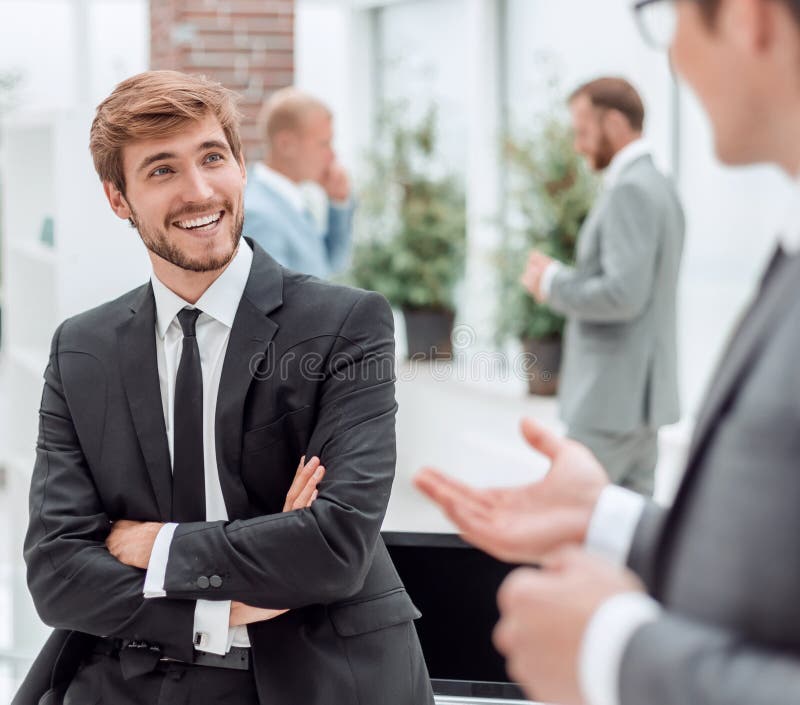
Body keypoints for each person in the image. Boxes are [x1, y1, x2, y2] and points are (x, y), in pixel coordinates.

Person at [416, 0, 800, 702]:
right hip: (638, 395)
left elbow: (620, 294)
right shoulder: (693, 199)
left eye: (670, 16)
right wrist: (610, 519)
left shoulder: (631, 192)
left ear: (749, 17)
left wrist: (612, 652)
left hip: (613, 393)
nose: (675, 53)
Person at [14, 70, 433, 705]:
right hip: (129, 674)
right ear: (118, 198)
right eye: (162, 170)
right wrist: (222, 609)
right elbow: (57, 573)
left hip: (313, 672)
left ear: (240, 165)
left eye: (213, 158)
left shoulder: (346, 325)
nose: (200, 190)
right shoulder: (82, 349)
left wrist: (154, 544)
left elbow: (333, 546)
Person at [522, 77, 685, 496]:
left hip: (607, 405)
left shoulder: (629, 190)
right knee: (624, 543)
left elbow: (622, 295)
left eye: (582, 131)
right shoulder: (661, 186)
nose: (578, 146)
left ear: (613, 122)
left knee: (565, 525)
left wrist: (552, 284)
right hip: (640, 406)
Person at [243, 88, 354, 278]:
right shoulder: (259, 214)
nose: (332, 155)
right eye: (323, 144)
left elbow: (330, 266)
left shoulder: (290, 198)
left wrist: (338, 202)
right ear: (286, 144)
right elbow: (275, 299)